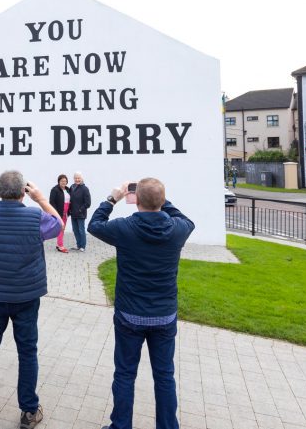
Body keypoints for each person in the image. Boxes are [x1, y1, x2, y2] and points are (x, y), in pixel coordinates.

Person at [88, 178, 195, 429]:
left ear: (136, 200)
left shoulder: (125, 228)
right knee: (165, 376)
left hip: (130, 315)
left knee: (125, 374)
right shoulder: (178, 229)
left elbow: (94, 225)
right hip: (164, 316)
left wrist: (112, 198)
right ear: (163, 201)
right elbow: (187, 219)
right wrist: (158, 198)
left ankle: (121, 426)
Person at [0, 171, 61, 429]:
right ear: (24, 193)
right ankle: (29, 412)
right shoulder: (35, 217)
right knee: (27, 352)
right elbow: (58, 223)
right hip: (26, 297)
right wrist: (42, 198)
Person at [68, 171, 91, 252]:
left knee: (81, 230)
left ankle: (83, 246)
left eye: (79, 178)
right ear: (74, 179)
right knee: (75, 230)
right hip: (73, 213)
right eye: (76, 178)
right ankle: (78, 245)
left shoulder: (85, 189)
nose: (77, 179)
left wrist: (80, 209)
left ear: (82, 179)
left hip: (81, 213)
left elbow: (88, 203)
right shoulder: (72, 187)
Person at [48, 174, 70, 253]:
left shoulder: (68, 189)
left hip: (66, 213)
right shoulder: (55, 190)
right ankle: (60, 246)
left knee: (62, 229)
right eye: (62, 181)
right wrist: (55, 212)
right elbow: (52, 202)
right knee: (61, 228)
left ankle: (58, 244)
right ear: (59, 181)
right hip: (59, 212)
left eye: (65, 181)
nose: (63, 182)